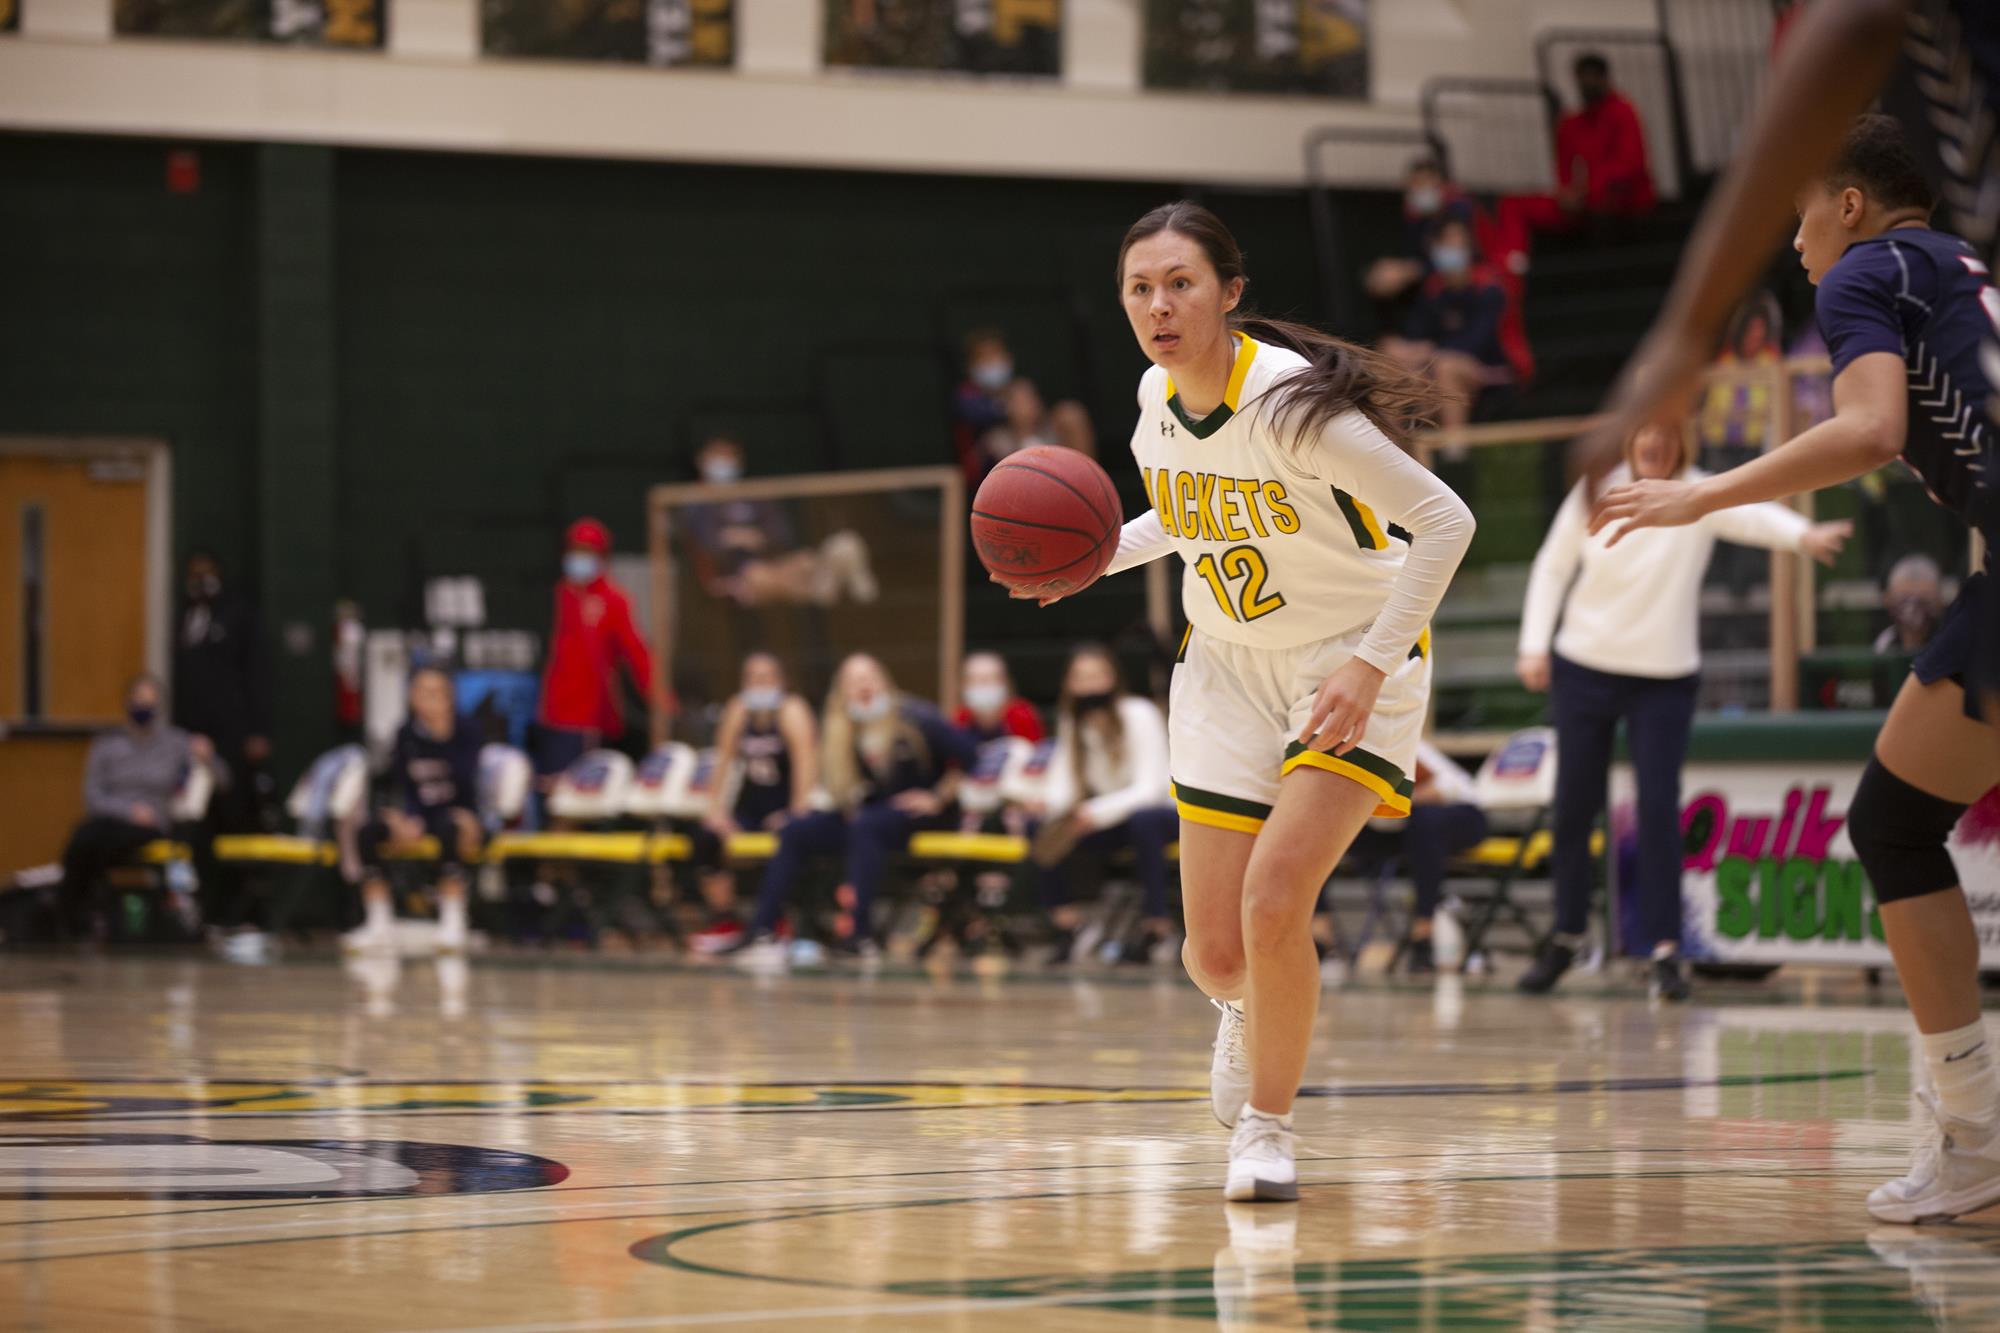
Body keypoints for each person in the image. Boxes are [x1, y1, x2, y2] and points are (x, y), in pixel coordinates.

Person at [1010, 201, 1474, 1202]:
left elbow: (1444, 521)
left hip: (1346, 660)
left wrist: (1371, 663)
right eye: (1139, 287)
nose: (1157, 306)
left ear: (1228, 293)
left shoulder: (1296, 407)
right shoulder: (1152, 396)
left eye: (1179, 283)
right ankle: (1241, 1006)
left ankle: (1266, 1129)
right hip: (1222, 661)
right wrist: (1093, 559)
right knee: (1213, 950)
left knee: (1274, 903)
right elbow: (1185, 522)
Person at [1585, 113, 2000, 1223]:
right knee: (1895, 822)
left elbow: (1864, 427)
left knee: (1894, 826)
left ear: (1849, 205)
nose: (1794, 241)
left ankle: (1971, 1142)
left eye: (1798, 213)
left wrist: (1699, 493)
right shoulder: (1955, 264)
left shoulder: (1862, 270)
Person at [1516, 423, 1850, 999]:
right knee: (1572, 807)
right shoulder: (1598, 487)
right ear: (1632, 438)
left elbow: (1752, 513)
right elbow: (1552, 565)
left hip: (1664, 677)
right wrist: (1533, 642)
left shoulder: (1698, 492)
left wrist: (1804, 535)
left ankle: (1667, 948)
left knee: (1657, 810)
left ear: (1682, 442)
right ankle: (1568, 935)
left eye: (1666, 437)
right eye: (1644, 433)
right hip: (1584, 666)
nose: (1654, 445)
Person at [731, 653, 975, 959]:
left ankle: (860, 935)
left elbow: (970, 754)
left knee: (866, 824)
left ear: (884, 681)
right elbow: (845, 795)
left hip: (924, 816)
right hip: (872, 817)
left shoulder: (915, 716)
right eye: (854, 681)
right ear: (842, 691)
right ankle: (762, 931)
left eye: (869, 677)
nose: (864, 685)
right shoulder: (840, 728)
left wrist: (937, 796)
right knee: (796, 829)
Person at [1031, 644, 1176, 965]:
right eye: (1081, 678)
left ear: (1113, 679)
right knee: (1043, 828)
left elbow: (1151, 789)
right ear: (1069, 685)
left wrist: (1093, 813)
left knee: (1145, 821)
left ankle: (1157, 926)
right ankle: (1068, 925)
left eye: (1096, 676)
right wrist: (1046, 806)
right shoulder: (1073, 722)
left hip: (1161, 815)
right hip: (1108, 819)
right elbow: (1063, 783)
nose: (1089, 685)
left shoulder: (1138, 713)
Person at [344, 665, 484, 955]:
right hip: (420, 817)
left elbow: (466, 779)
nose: (428, 698)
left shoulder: (467, 729)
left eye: (436, 692)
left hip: (462, 815)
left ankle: (453, 919)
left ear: (450, 696)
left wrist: (441, 734)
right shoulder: (405, 733)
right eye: (421, 691)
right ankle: (378, 922)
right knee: (369, 832)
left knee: (451, 826)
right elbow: (399, 784)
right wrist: (399, 817)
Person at [60, 674, 210, 937]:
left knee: (99, 841)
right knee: (84, 838)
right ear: (127, 702)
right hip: (109, 818)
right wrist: (128, 811)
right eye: (139, 701)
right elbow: (92, 796)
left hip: (151, 823)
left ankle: (93, 914)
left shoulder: (175, 742)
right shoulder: (107, 744)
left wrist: (207, 755)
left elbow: (219, 777)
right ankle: (72, 918)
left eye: (151, 702)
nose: (144, 707)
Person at [688, 652, 818, 954]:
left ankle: (779, 921)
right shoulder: (739, 709)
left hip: (784, 804)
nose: (759, 684)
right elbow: (723, 762)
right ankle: (725, 918)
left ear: (781, 681)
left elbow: (806, 764)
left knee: (787, 843)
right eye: (752, 678)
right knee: (706, 840)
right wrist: (716, 812)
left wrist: (795, 813)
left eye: (766, 677)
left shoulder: (792, 710)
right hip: (752, 806)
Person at [680, 434, 879, 610]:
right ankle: (825, 586)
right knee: (758, 576)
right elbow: (706, 546)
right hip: (740, 577)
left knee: (810, 559)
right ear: (701, 460)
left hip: (776, 564)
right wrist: (738, 541)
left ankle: (835, 571)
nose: (723, 463)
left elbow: (781, 534)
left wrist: (749, 538)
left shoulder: (755, 496)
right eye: (716, 456)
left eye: (729, 456)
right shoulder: (694, 504)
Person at [1346, 738, 1488, 975]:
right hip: (1398, 824)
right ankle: (1320, 937)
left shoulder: (1393, 738)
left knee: (1424, 822)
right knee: (1314, 832)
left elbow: (1443, 789)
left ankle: (1424, 933)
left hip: (1462, 813)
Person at [536, 517, 658, 780]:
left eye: (588, 553)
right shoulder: (561, 593)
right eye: (575, 551)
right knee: (553, 790)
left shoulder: (614, 599)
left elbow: (636, 653)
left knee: (581, 796)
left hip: (590, 718)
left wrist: (659, 696)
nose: (579, 559)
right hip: (555, 712)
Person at [1381, 219, 1522, 439]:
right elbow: (1416, 336)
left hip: (1491, 370)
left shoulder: (1489, 288)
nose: (1452, 248)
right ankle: (1394, 452)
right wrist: (1401, 349)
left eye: (1457, 241)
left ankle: (1455, 454)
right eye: (1445, 243)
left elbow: (1475, 345)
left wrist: (1427, 352)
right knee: (1393, 362)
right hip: (1438, 368)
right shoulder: (1434, 290)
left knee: (1446, 368)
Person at [173, 550, 271, 827]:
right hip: (193, 730)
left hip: (232, 731)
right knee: (194, 806)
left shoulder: (238, 613)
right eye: (194, 573)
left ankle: (236, 869)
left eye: (207, 572)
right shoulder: (186, 617)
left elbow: (257, 672)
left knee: (233, 801)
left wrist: (258, 731)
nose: (200, 579)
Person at [952, 651, 1044, 745]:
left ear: (1006, 683)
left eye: (989, 679)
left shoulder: (1023, 717)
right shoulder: (960, 721)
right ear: (962, 686)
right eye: (975, 680)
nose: (983, 686)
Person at [1877, 554, 1948, 657]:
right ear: (1888, 599)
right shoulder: (1886, 642)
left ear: (1939, 600)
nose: (1913, 608)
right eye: (1904, 598)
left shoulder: (1949, 640)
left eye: (1923, 599)